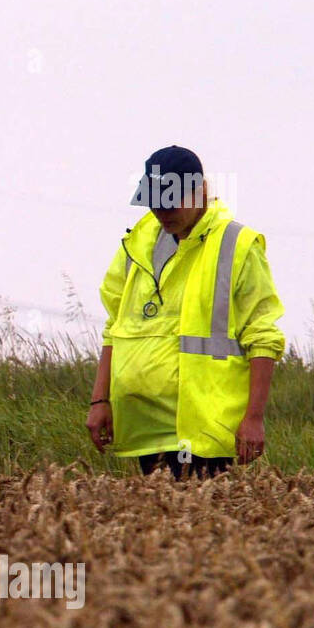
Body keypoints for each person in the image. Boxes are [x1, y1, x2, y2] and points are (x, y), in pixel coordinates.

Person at [86, 145, 285, 478]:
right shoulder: (137, 243)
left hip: (201, 428)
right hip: (144, 426)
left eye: (171, 201)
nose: (162, 212)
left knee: (202, 527)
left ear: (200, 191)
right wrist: (99, 400)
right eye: (154, 202)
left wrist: (253, 417)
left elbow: (262, 334)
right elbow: (115, 325)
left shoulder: (237, 245)